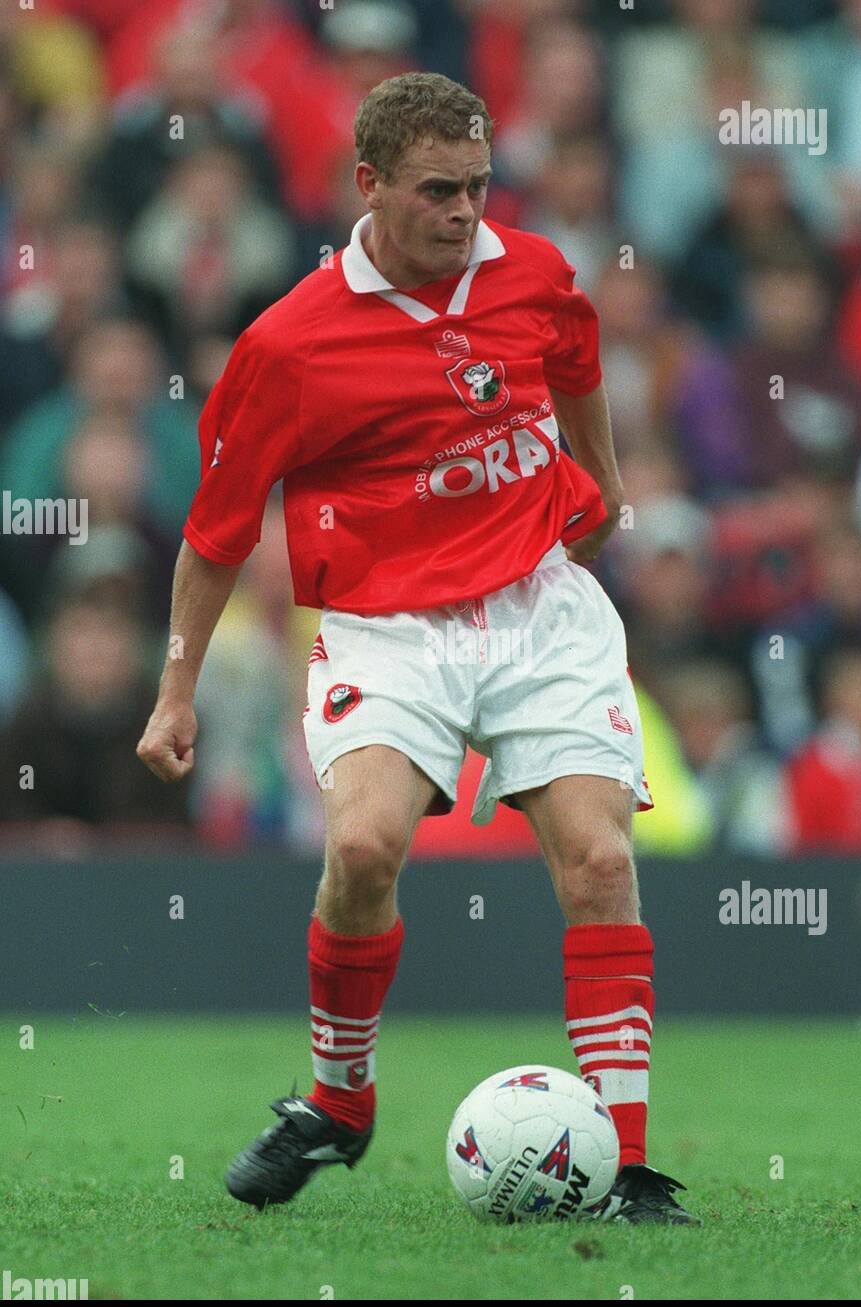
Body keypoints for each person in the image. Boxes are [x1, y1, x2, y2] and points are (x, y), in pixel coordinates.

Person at [136, 72, 698, 1226]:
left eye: (479, 187)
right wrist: (174, 691)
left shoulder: (530, 270)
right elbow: (214, 534)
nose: (464, 212)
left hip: (538, 606)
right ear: (369, 185)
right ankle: (340, 1105)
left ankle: (627, 1165)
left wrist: (603, 484)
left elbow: (577, 359)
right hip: (387, 626)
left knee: (598, 862)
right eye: (438, 190)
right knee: (363, 848)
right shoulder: (288, 346)